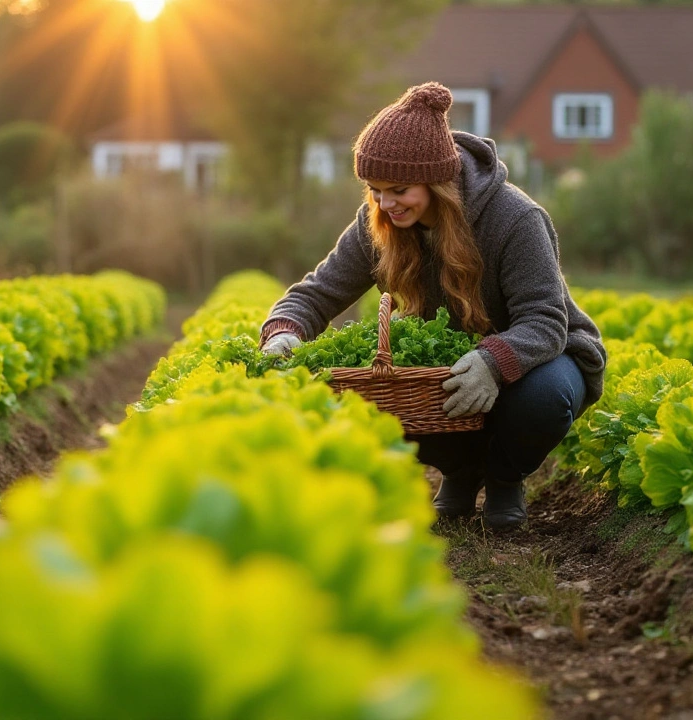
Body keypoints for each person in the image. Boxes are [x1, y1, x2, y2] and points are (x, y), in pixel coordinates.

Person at [258, 82, 607, 531]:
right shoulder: (380, 221)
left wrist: (492, 362)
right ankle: (461, 473)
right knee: (390, 390)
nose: (385, 203)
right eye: (375, 189)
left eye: (399, 189)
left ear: (437, 180)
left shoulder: (514, 218)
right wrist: (285, 329)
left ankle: (504, 478)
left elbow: (545, 320)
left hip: (541, 358)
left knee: (541, 400)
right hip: (450, 368)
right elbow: (317, 292)